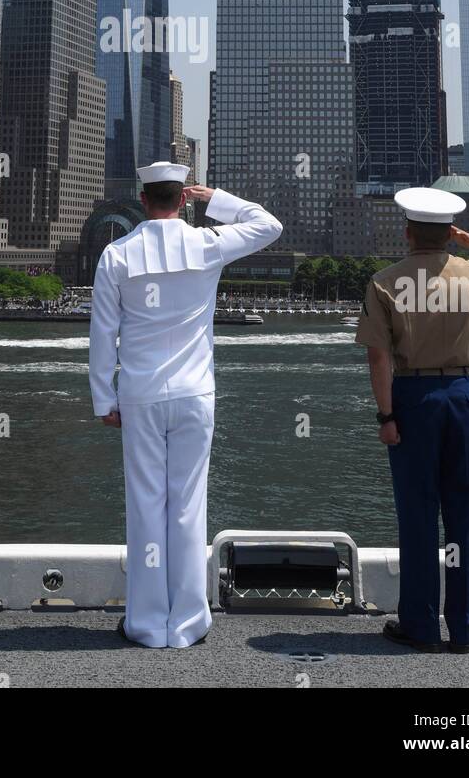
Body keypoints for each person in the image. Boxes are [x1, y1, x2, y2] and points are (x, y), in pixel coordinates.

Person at [89, 163, 282, 648]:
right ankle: (188, 622)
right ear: (183, 198)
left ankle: (147, 624)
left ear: (142, 197)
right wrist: (216, 199)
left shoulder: (117, 254)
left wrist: (102, 398)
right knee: (188, 506)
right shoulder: (206, 244)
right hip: (195, 393)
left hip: (140, 394)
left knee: (145, 506)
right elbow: (268, 225)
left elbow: (102, 334)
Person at [356, 186, 469, 654]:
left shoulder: (385, 281)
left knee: (416, 513)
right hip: (465, 393)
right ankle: (468, 627)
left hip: (413, 395)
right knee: (465, 512)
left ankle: (420, 625)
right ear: (449, 235)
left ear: (407, 232)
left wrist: (387, 415)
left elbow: (377, 358)